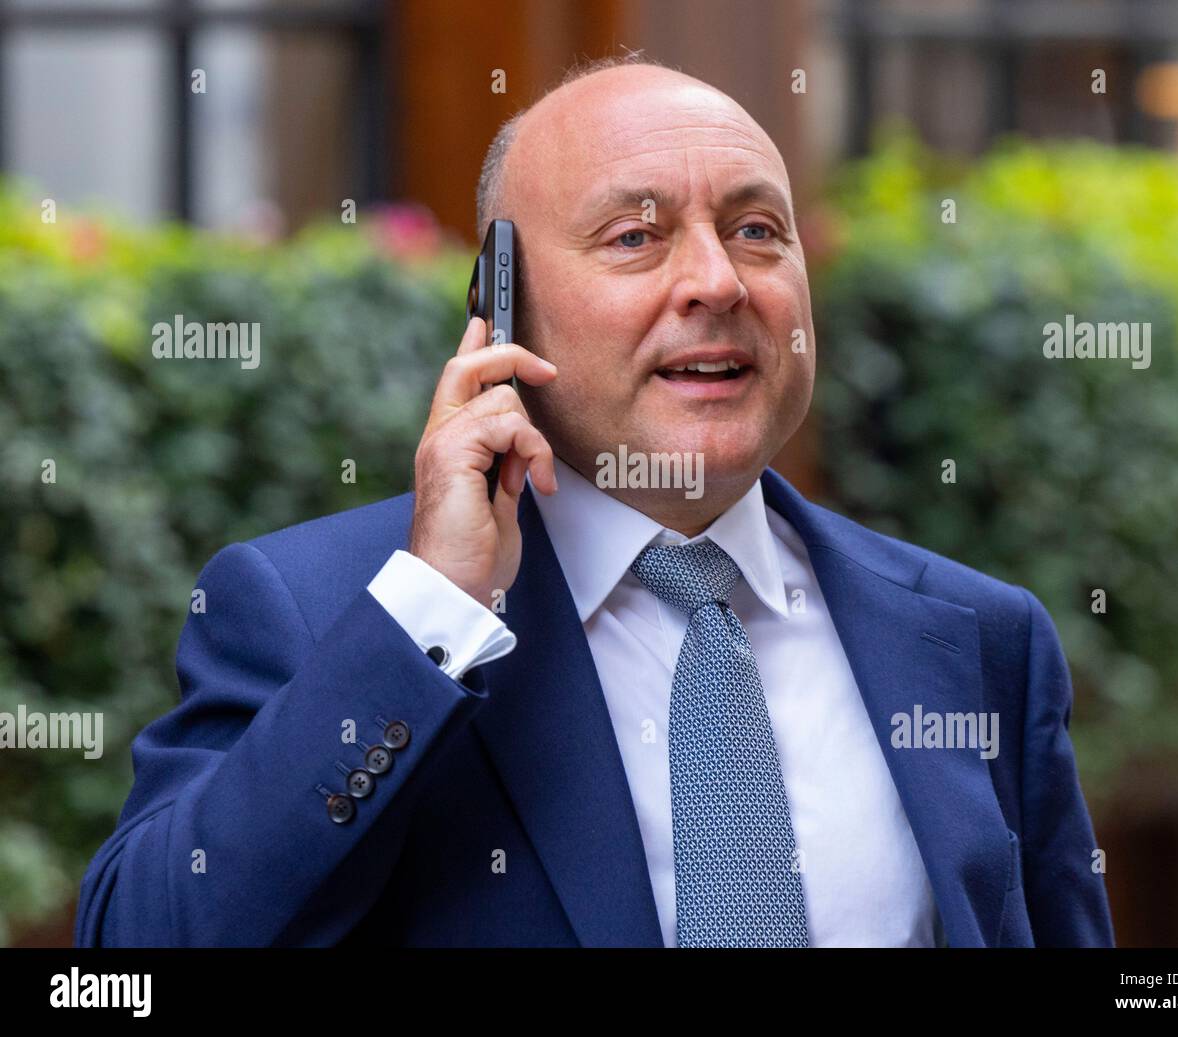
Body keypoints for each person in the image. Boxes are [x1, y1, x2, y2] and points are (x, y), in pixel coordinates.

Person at [75, 54, 1113, 948]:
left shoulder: (979, 638)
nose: (716, 280)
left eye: (757, 229)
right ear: (501, 307)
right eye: (633, 237)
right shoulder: (322, 611)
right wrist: (435, 608)